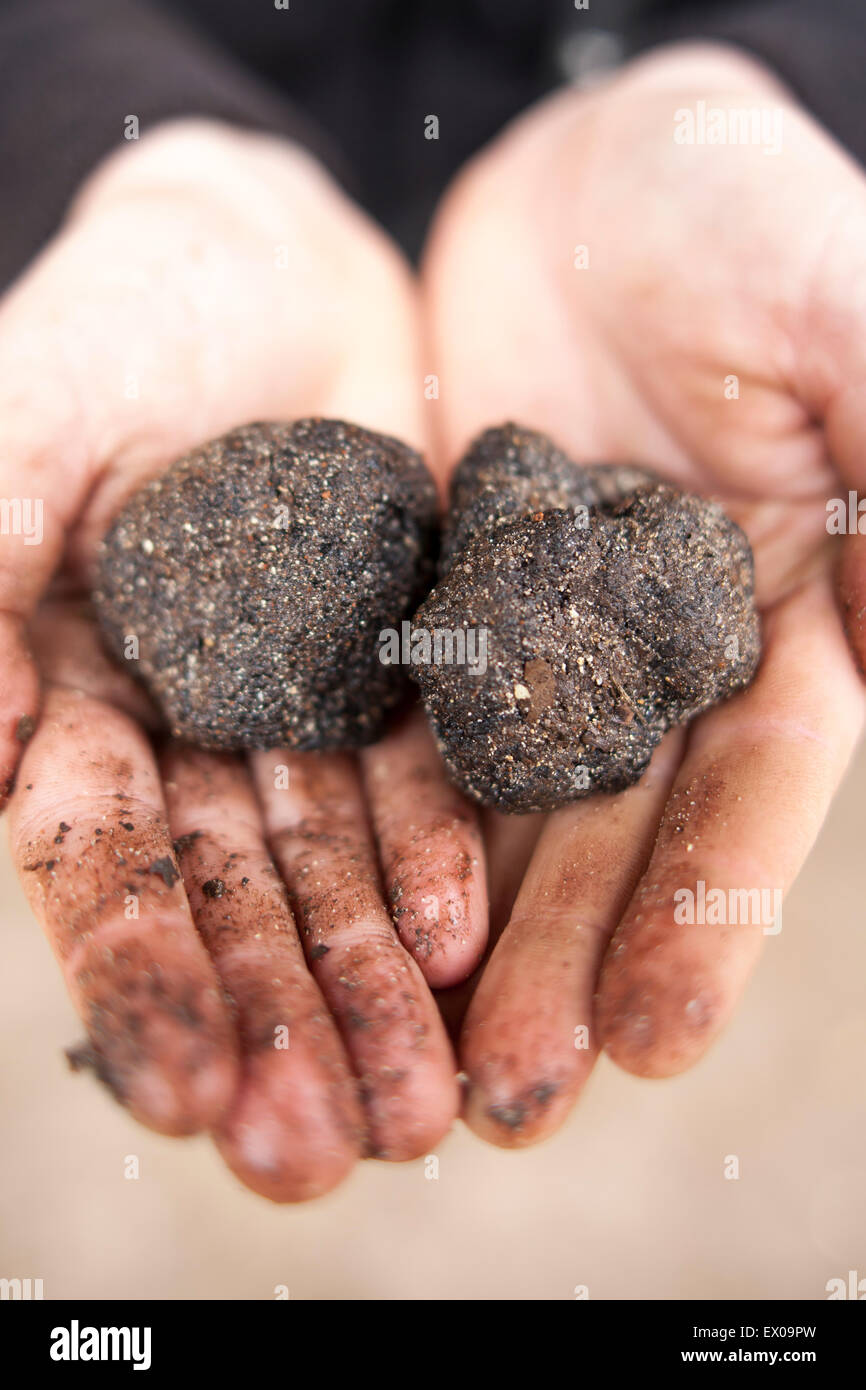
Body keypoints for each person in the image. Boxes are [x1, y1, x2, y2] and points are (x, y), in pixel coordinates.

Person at [1, 0, 864, 1200]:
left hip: (604, 177)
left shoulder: (559, 541)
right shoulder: (486, 527)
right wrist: (107, 138)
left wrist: (783, 86)